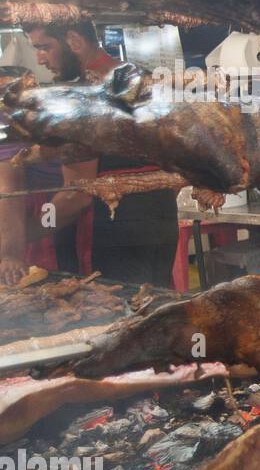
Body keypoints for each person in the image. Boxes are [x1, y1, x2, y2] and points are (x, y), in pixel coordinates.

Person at [20, 22, 179, 286]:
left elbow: (75, 196)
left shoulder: (80, 99)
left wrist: (30, 230)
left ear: (74, 40)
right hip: (161, 220)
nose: (39, 59)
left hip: (107, 234)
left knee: (114, 316)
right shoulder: (145, 78)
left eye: (45, 47)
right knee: (157, 312)